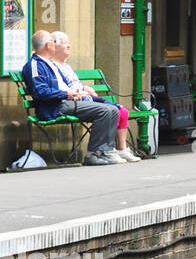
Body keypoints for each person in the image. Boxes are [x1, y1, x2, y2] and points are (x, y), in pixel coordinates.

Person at [21, 30, 121, 166]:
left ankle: (105, 151)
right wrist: (66, 94)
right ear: (47, 45)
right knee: (105, 111)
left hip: (68, 101)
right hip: (56, 107)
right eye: (53, 41)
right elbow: (40, 91)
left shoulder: (49, 63)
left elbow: (64, 85)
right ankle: (94, 154)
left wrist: (78, 91)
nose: (55, 44)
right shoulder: (35, 65)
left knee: (112, 109)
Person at [49, 30, 141, 162]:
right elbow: (62, 89)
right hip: (71, 101)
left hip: (83, 98)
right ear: (54, 46)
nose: (69, 45)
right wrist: (78, 92)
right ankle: (103, 151)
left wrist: (85, 88)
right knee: (110, 111)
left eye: (69, 43)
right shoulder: (51, 66)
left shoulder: (67, 66)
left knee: (121, 110)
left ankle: (118, 150)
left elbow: (74, 85)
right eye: (64, 43)